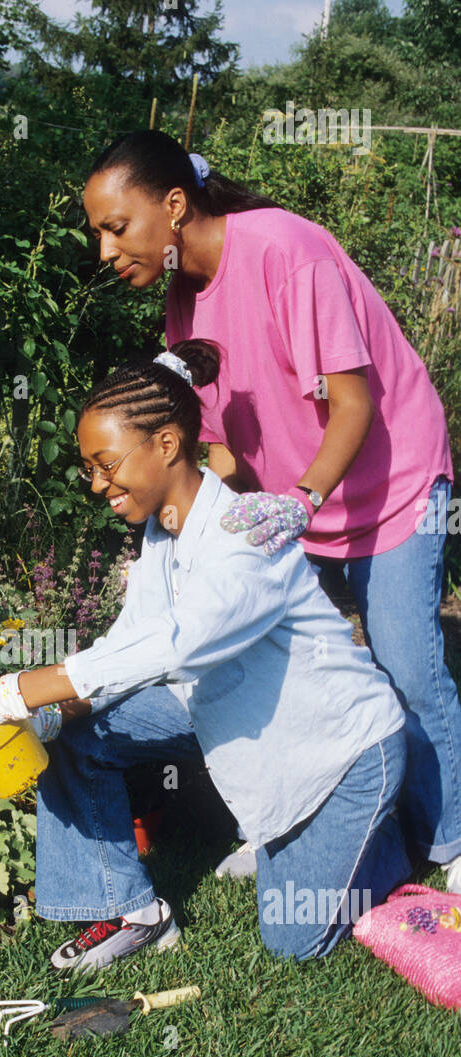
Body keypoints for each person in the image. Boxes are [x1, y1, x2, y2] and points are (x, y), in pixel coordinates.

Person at [0, 342, 410, 972]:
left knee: (291, 940)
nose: (97, 484)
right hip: (232, 716)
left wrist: (13, 691)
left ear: (166, 444)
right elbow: (128, 645)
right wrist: (49, 716)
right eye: (89, 469)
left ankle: (382, 845)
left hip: (338, 750)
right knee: (81, 735)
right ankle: (131, 912)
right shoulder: (163, 533)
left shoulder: (246, 533)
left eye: (106, 464)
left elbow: (177, 644)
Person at [81, 130, 460, 891]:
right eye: (98, 232)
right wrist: (164, 511)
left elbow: (353, 403)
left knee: (406, 662)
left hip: (394, 485)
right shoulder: (181, 310)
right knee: (274, 668)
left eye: (115, 226)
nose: (102, 250)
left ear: (175, 205)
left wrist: (301, 500)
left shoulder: (289, 250)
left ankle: (451, 843)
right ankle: (291, 817)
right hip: (298, 504)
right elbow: (220, 452)